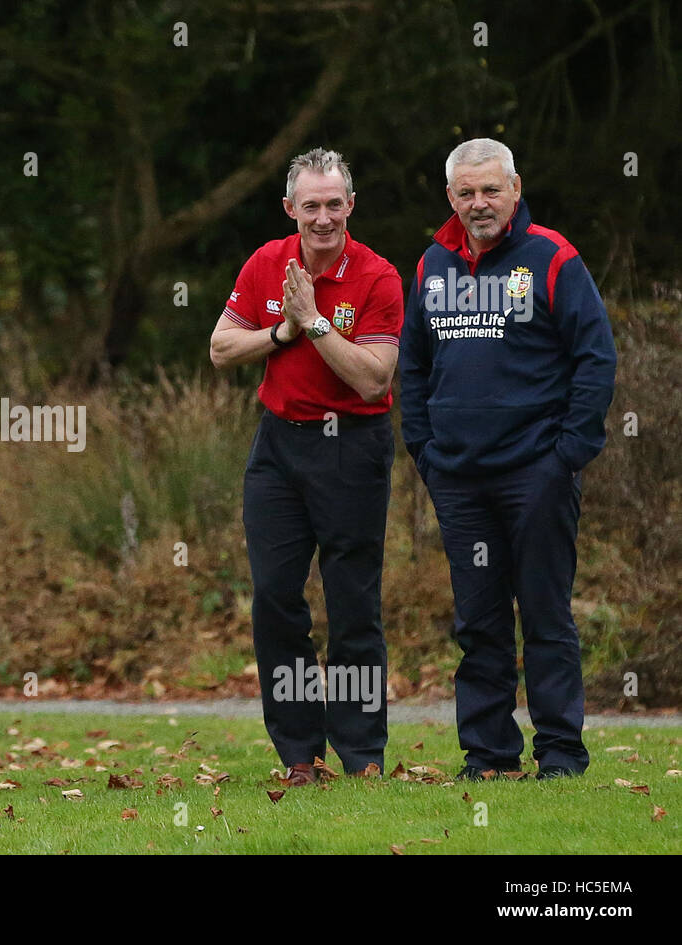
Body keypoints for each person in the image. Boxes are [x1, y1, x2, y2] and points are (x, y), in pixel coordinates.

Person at [399, 138, 616, 781]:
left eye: (491, 190)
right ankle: (488, 755)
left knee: (545, 615)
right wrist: (426, 451)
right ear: (450, 198)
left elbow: (595, 359)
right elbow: (412, 366)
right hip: (459, 480)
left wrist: (568, 454)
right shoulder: (432, 265)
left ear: (515, 190)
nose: (479, 203)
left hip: (537, 474)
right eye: (466, 193)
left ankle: (560, 756)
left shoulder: (553, 258)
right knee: (479, 622)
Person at [210, 148, 403, 784]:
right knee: (274, 597)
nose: (323, 218)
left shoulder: (378, 277)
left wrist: (314, 322)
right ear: (290, 208)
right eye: (310, 206)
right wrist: (283, 334)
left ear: (352, 205)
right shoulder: (268, 262)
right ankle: (300, 753)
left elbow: (374, 381)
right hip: (279, 449)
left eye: (334, 204)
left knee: (352, 603)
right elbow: (221, 347)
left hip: (352, 446)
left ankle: (362, 754)